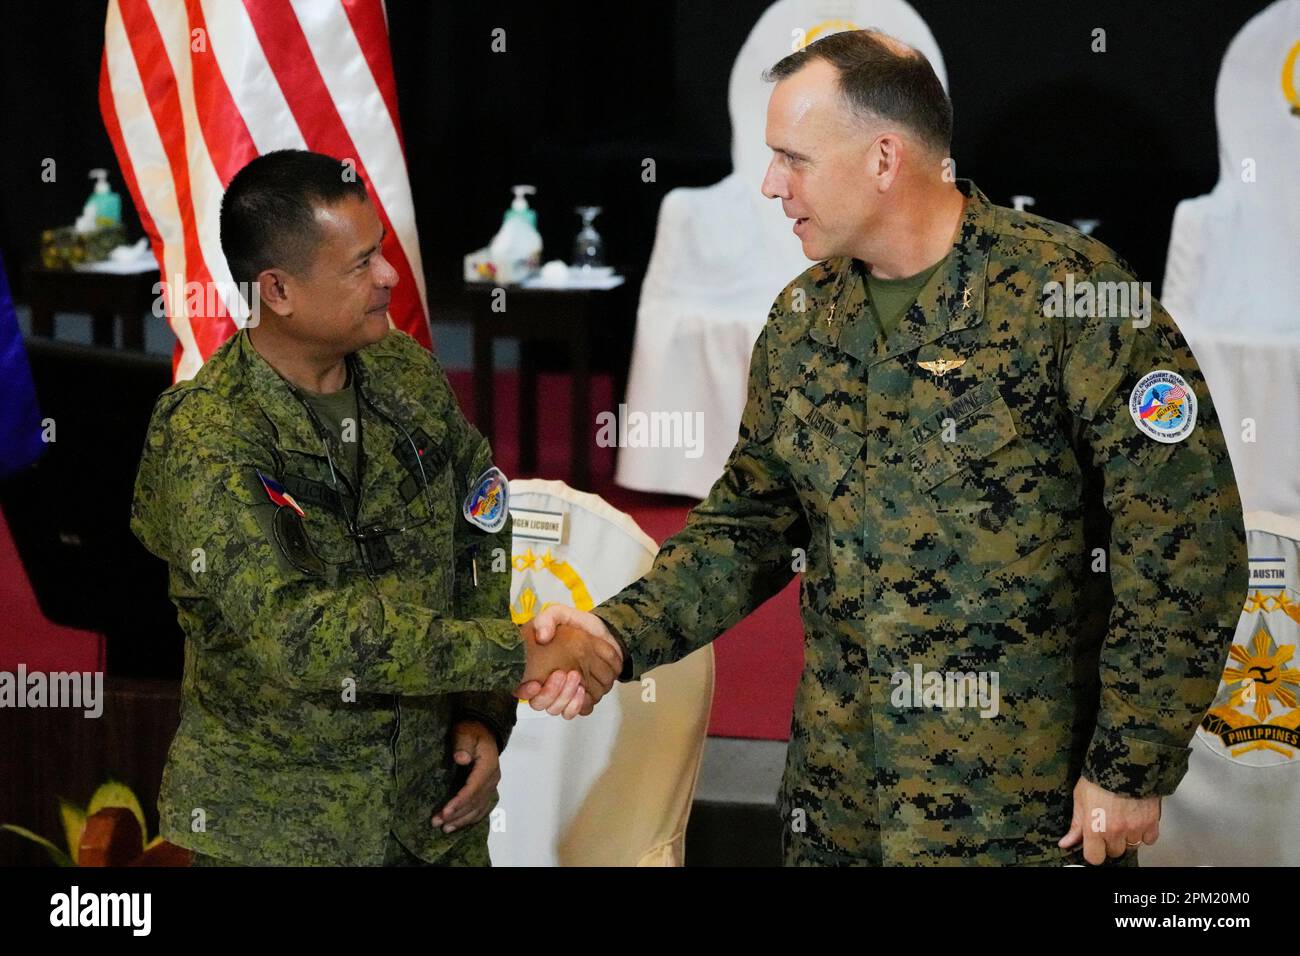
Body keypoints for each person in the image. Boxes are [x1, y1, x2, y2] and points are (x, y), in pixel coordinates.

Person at [519, 30, 1247, 867]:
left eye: (792, 159)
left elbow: (1187, 546)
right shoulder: (802, 319)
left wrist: (1130, 765)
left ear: (883, 158)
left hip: (1017, 814)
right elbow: (751, 524)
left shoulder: (1075, 301)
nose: (769, 186)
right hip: (838, 809)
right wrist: (614, 636)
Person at [131, 149, 619, 866]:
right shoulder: (208, 435)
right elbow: (300, 631)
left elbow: (477, 534)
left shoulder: (405, 372)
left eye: (382, 253)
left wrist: (482, 712)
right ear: (279, 290)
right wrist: (519, 652)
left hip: (434, 816)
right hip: (280, 836)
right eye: (362, 264)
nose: (390, 277)